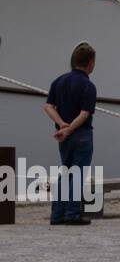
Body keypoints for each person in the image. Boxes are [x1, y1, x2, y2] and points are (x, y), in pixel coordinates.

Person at [43, 42, 98, 226]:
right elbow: (84, 113)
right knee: (78, 173)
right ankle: (73, 214)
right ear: (90, 62)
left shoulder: (58, 81)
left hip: (62, 135)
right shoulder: (88, 86)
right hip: (81, 134)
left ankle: (57, 214)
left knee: (65, 173)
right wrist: (71, 128)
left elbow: (48, 106)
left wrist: (61, 125)